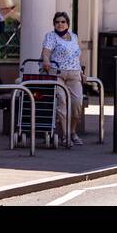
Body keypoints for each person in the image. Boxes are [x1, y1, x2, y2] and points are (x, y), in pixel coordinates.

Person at [42, 11, 85, 146]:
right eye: (57, 22)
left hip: (74, 73)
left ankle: (72, 132)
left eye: (63, 22)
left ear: (68, 23)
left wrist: (82, 72)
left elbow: (77, 56)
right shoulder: (51, 36)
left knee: (77, 103)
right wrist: (46, 61)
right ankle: (65, 136)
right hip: (57, 73)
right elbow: (46, 52)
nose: (60, 24)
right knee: (62, 101)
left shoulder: (73, 36)